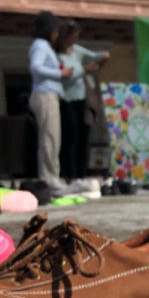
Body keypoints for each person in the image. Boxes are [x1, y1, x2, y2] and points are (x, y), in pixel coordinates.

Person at [56, 20, 109, 184]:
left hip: (82, 99)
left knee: (84, 136)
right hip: (66, 99)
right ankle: (70, 174)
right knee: (70, 137)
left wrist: (103, 58)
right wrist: (84, 70)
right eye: (72, 37)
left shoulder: (77, 51)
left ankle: (81, 173)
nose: (74, 41)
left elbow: (94, 56)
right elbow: (65, 75)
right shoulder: (57, 55)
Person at [29, 11, 73, 193]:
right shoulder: (40, 45)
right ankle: (48, 177)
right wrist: (59, 73)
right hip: (44, 95)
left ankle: (52, 175)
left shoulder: (46, 47)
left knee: (53, 138)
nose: (57, 33)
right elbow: (35, 67)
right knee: (49, 138)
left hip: (50, 95)